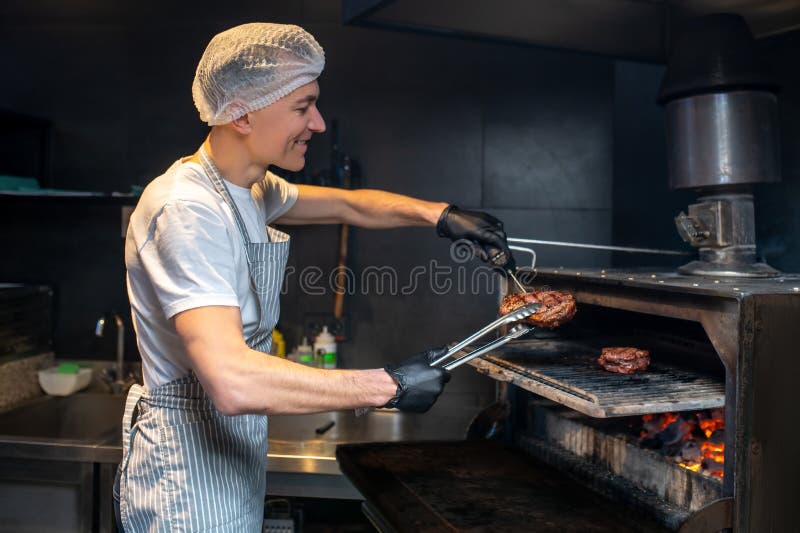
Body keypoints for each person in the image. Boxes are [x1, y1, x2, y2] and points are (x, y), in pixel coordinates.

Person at [115, 22, 516, 532]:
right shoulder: (186, 210)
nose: (319, 124)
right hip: (184, 479)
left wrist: (440, 215)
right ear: (241, 113)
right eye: (302, 107)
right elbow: (231, 380)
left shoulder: (250, 188)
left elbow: (350, 205)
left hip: (226, 459)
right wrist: (388, 385)